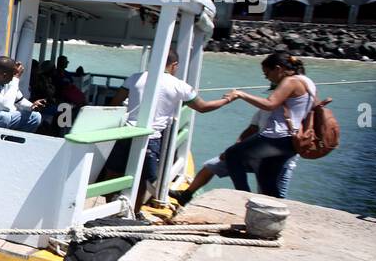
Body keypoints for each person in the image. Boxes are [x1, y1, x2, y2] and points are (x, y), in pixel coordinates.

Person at [99, 48, 236, 211]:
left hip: (127, 133)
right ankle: (134, 211)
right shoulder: (179, 85)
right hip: (152, 138)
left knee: (113, 173)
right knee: (143, 179)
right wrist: (228, 99)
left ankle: (107, 209)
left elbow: (115, 103)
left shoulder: (135, 78)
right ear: (174, 65)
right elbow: (203, 107)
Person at [219, 52, 316, 197]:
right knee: (266, 179)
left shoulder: (290, 81)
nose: (266, 77)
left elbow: (270, 104)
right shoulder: (307, 83)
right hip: (292, 141)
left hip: (276, 137)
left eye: (267, 73)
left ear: (278, 69)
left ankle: (243, 197)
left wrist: (240, 94)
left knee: (232, 154)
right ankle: (275, 211)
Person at [171, 109, 297, 206]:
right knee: (211, 166)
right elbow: (252, 129)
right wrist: (235, 148)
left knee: (272, 199)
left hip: (278, 163)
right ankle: (186, 195)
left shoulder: (293, 113)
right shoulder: (264, 110)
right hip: (252, 156)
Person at [0, 55, 45, 132]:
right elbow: (6, 106)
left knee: (35, 116)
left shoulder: (5, 79)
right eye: (11, 76)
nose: (12, 79)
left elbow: (20, 101)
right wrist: (16, 79)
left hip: (4, 116)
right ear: (4, 75)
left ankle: (16, 141)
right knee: (4, 116)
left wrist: (32, 106)